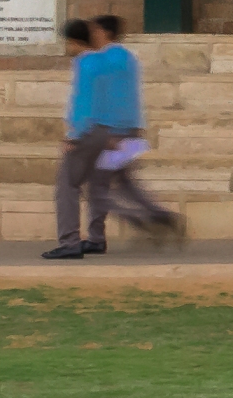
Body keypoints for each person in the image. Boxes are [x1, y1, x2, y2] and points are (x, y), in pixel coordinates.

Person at [46, 15, 182, 260]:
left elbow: (87, 100)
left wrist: (75, 135)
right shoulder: (128, 58)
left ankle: (79, 240)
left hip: (107, 131)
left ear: (103, 32)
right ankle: (150, 218)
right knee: (121, 183)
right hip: (131, 129)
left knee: (78, 186)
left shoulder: (96, 60)